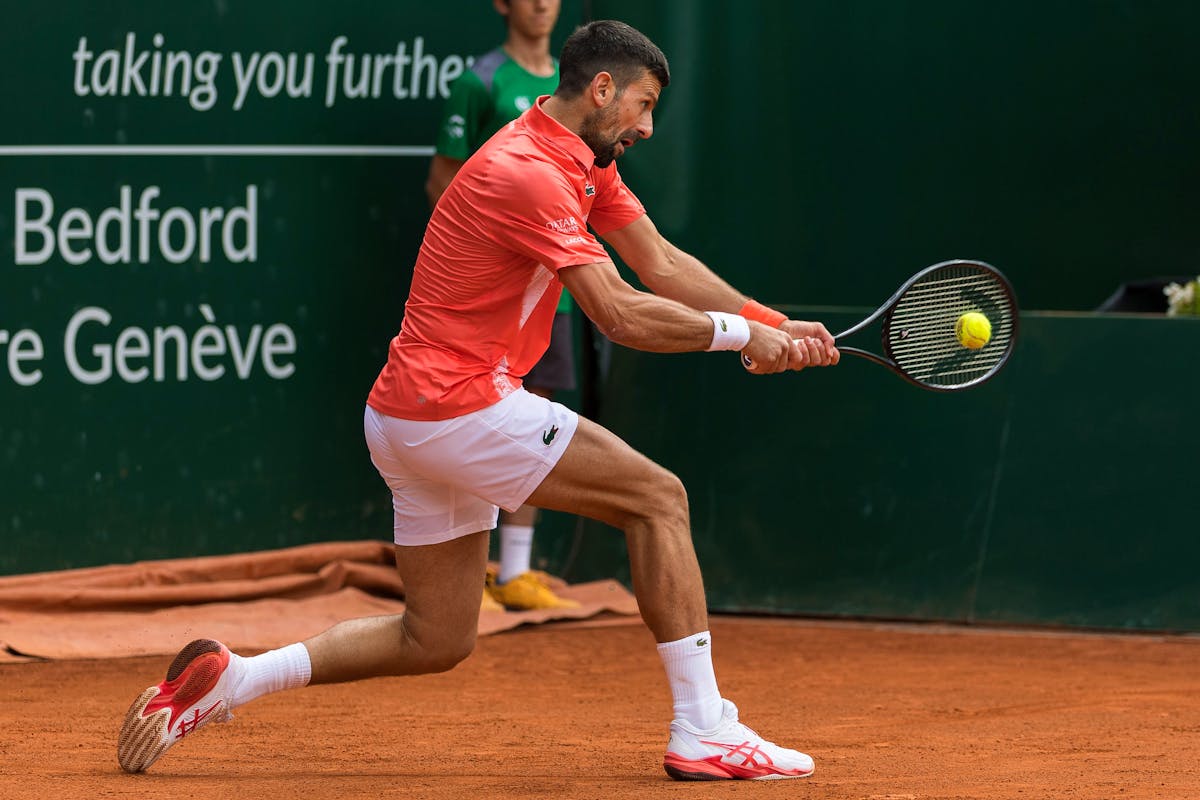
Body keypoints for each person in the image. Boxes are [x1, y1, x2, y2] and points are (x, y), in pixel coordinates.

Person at [116, 20, 839, 781]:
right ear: (602, 90)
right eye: (644, 105)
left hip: (403, 416)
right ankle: (704, 728)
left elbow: (658, 261)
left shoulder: (582, 157)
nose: (648, 127)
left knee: (435, 637)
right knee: (659, 500)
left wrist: (772, 323)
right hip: (459, 406)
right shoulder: (528, 171)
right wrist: (738, 337)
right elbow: (619, 314)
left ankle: (233, 681)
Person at [426, 0, 578, 612]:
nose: (542, 3)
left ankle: (516, 570)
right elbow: (443, 183)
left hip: (554, 295)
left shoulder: (572, 87)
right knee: (477, 416)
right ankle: (477, 573)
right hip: (489, 298)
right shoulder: (479, 81)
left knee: (536, 419)